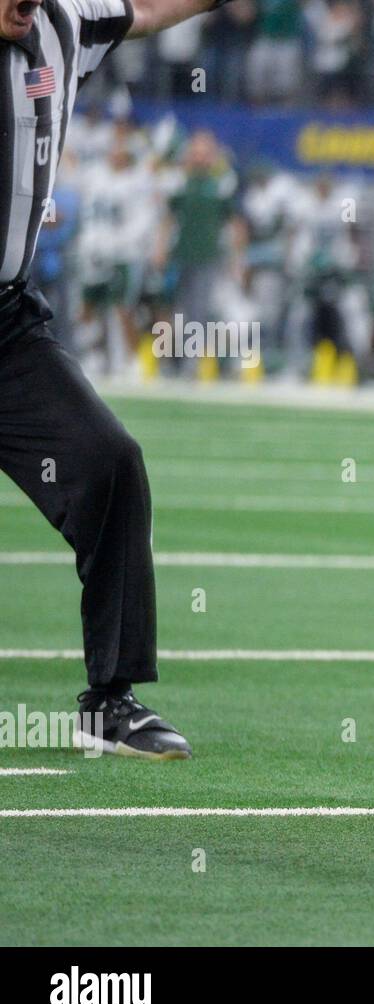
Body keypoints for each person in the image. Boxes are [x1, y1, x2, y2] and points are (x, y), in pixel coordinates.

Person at [0, 0, 243, 760]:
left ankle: (110, 700)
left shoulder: (62, 24)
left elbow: (150, 8)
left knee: (109, 463)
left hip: (5, 326)